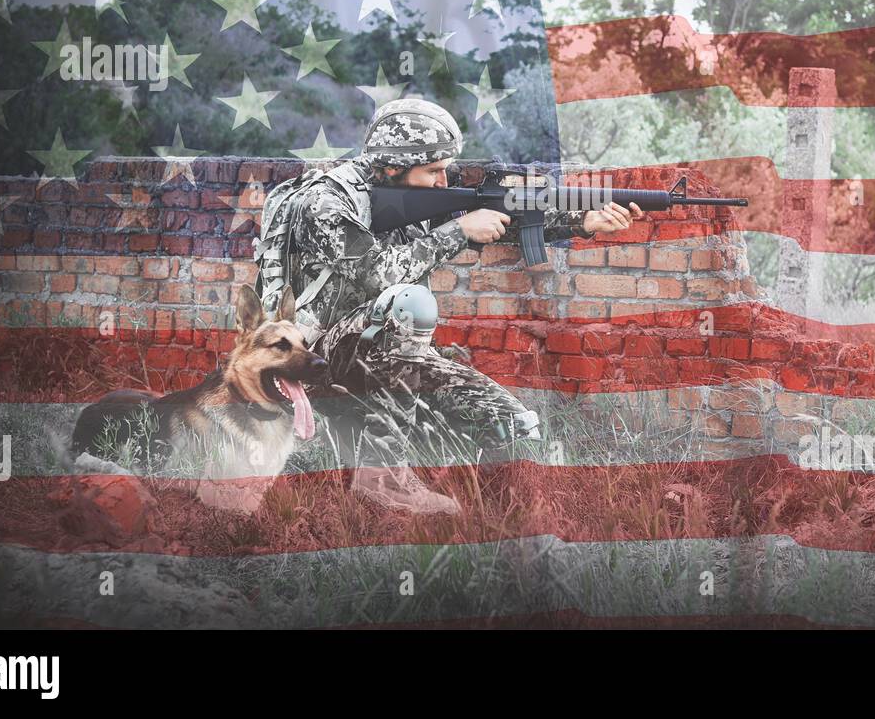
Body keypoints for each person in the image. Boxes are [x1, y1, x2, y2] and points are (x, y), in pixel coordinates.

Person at [256, 97, 642, 513]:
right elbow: (378, 272)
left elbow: (503, 215)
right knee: (408, 301)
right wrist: (458, 230)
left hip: (384, 351)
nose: (444, 182)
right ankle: (382, 479)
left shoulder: (409, 188)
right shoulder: (326, 203)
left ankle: (504, 521)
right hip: (312, 359)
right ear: (392, 168)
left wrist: (581, 222)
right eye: (434, 171)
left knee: (507, 421)